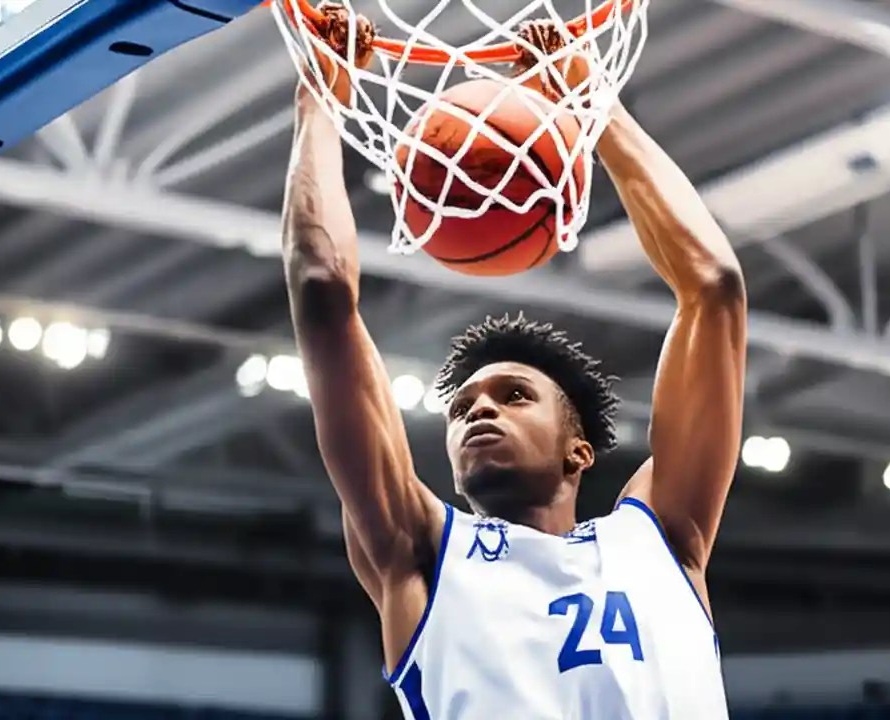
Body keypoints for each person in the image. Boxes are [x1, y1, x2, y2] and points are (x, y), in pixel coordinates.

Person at [282, 6, 746, 718]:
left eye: (514, 395)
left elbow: (713, 287)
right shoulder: (419, 551)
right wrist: (317, 101)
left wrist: (594, 104)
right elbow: (321, 288)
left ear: (579, 450)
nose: (479, 411)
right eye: (462, 407)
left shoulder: (659, 534)